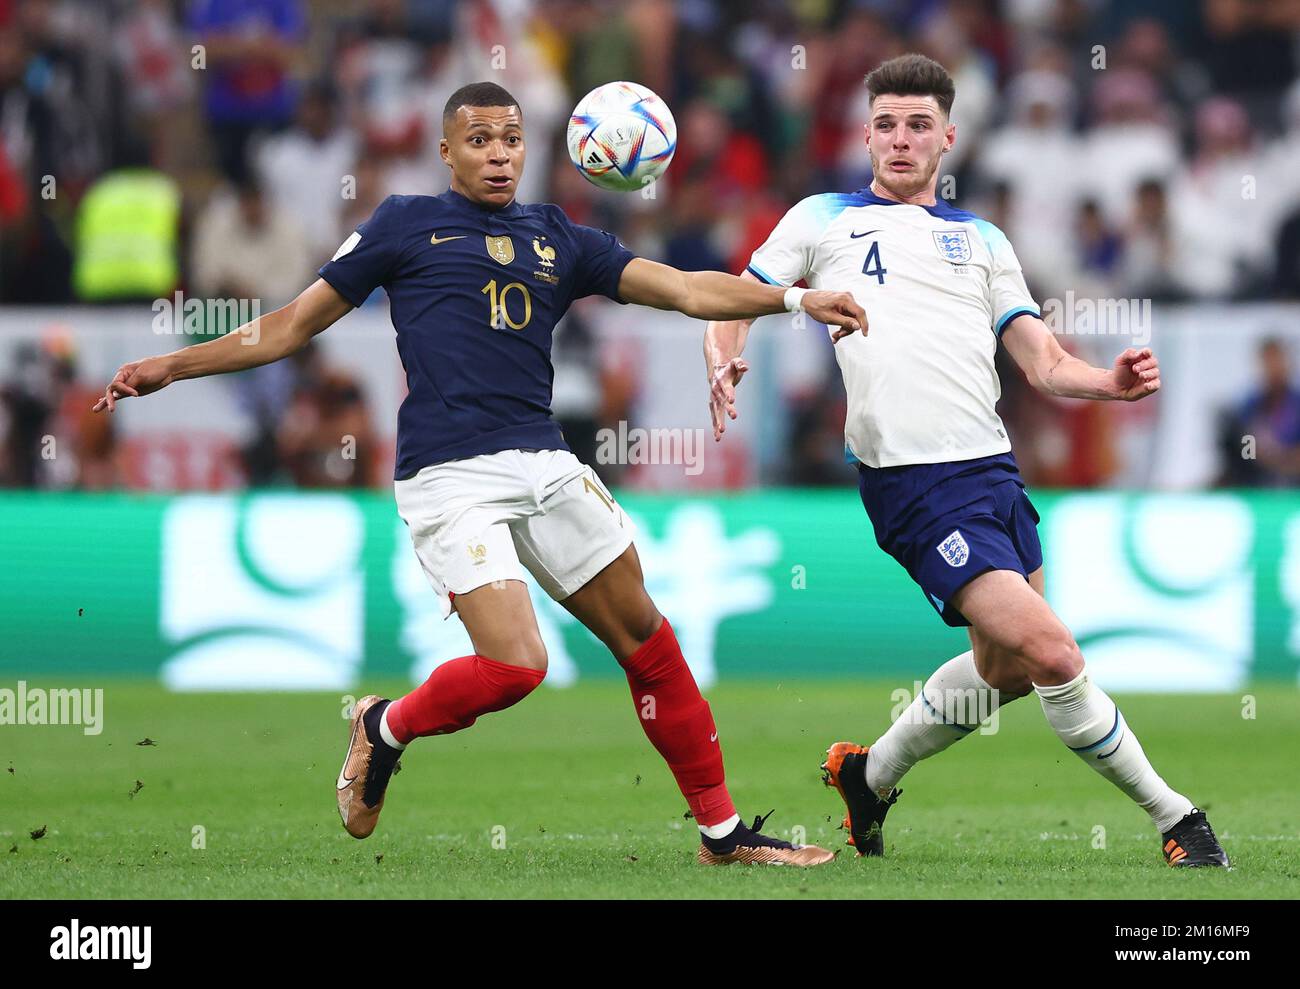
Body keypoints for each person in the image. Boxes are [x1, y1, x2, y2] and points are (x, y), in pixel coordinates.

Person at [94, 81, 868, 867]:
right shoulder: (404, 224)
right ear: (446, 151)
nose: (497, 155)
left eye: (510, 139)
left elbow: (686, 288)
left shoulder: (558, 235)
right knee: (516, 665)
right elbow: (289, 326)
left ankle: (722, 835)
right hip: (448, 469)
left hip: (543, 458)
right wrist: (172, 364)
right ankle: (383, 728)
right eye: (478, 140)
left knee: (647, 638)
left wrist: (797, 297)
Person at [703, 54, 1228, 868]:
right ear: (866, 133)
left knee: (1008, 669)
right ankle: (1179, 818)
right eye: (885, 124)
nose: (900, 140)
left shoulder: (981, 240)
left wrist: (1109, 385)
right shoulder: (821, 219)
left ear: (949, 136)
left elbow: (1043, 361)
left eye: (918, 125)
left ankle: (868, 774)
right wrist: (723, 355)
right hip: (913, 484)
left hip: (992, 472)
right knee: (1054, 653)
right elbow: (735, 298)